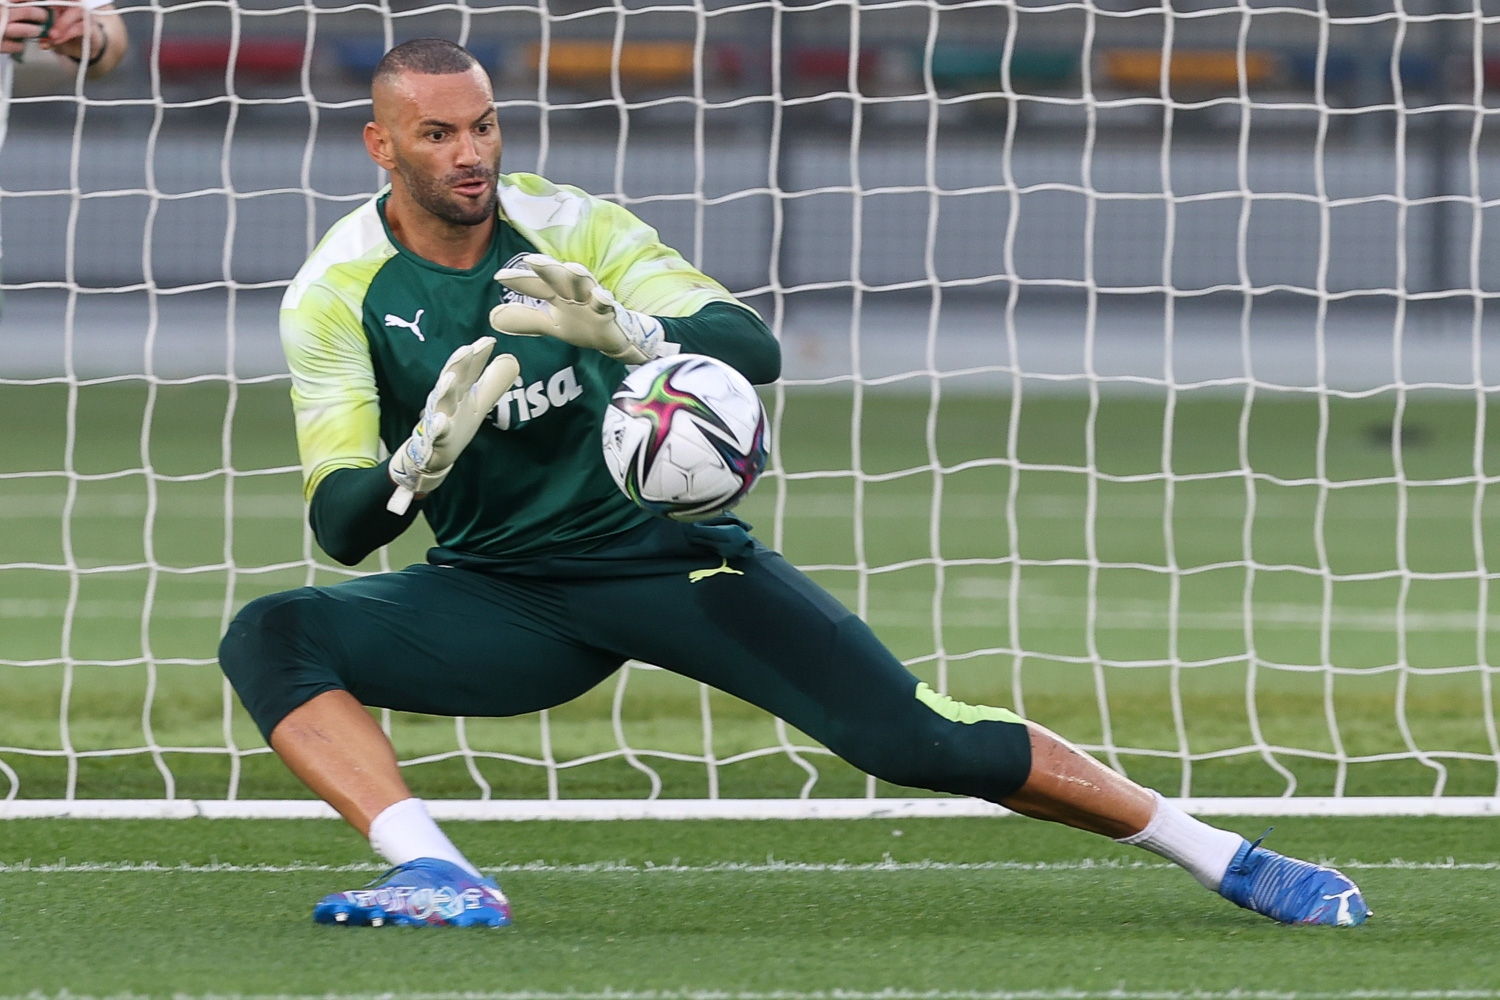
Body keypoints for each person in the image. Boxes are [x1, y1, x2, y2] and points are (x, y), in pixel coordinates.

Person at [218, 38, 1370, 930]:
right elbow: (342, 530)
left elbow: (749, 345)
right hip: (498, 591)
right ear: (381, 145)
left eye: (484, 128)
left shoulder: (571, 225)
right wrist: (415, 464)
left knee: (919, 742)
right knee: (272, 634)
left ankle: (1226, 852)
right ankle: (436, 872)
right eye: (436, 135)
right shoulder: (336, 292)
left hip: (672, 564)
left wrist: (632, 330)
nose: (469, 155)